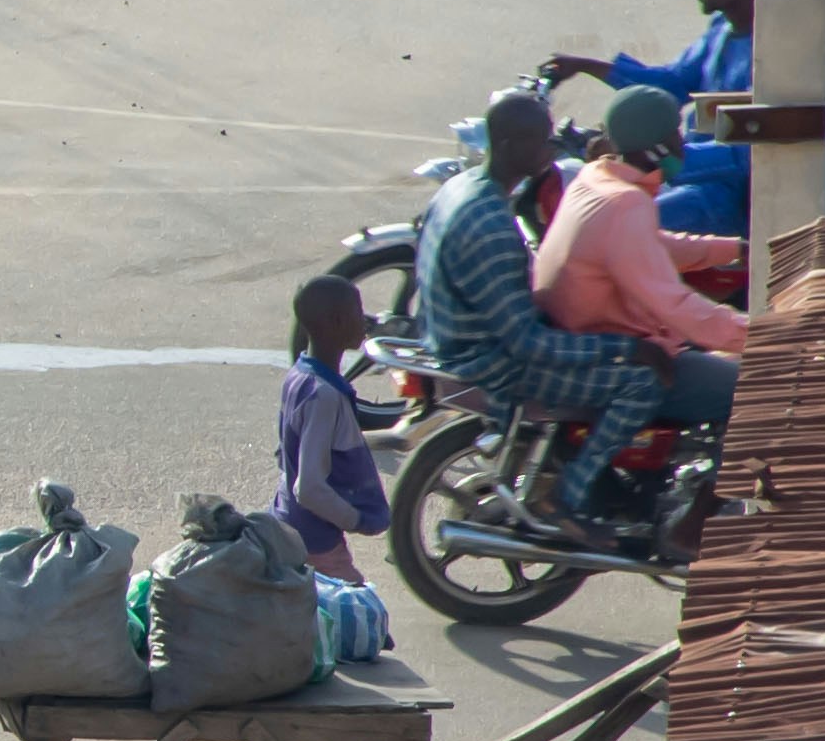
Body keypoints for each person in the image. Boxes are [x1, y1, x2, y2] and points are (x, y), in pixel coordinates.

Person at [416, 84, 675, 525]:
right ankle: (566, 500)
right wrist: (630, 349)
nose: (552, 146)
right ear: (510, 146)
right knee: (641, 384)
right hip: (492, 365)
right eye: (542, 139)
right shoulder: (492, 226)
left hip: (452, 335)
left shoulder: (463, 186)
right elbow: (528, 346)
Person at [534, 86, 750, 416]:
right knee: (754, 390)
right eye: (676, 135)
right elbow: (674, 305)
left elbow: (648, 246)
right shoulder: (627, 203)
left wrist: (733, 249)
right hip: (621, 352)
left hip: (585, 336)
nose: (683, 145)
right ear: (658, 147)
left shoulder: (596, 176)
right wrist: (759, 334)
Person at [552, 0, 758, 239]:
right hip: (682, 174)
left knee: (619, 223)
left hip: (722, 197)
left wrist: (661, 160)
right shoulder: (721, 29)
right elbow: (671, 85)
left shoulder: (769, 52)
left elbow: (745, 156)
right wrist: (588, 66)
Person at [278, 274, 392, 585]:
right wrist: (357, 520)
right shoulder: (324, 396)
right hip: (316, 543)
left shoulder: (298, 376)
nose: (365, 320)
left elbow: (285, 454)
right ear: (337, 321)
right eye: (359, 311)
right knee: (364, 616)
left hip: (291, 525)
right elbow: (309, 488)